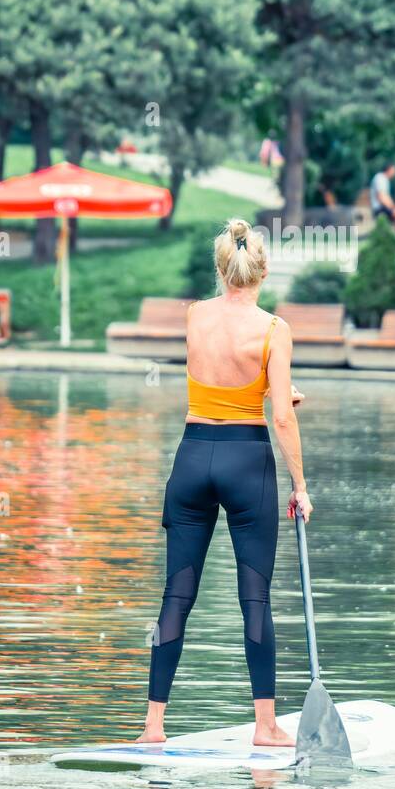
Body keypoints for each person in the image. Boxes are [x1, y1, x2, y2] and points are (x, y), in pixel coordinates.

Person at [137, 217, 310, 749]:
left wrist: (270, 387)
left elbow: (217, 376)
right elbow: (280, 417)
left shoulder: (194, 316)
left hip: (191, 460)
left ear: (222, 269)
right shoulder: (274, 329)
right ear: (263, 272)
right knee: (254, 598)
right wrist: (300, 487)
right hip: (246, 463)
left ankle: (152, 727)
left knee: (176, 595)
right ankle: (265, 726)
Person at [370, 161, 395, 237]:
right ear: (389, 169)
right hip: (380, 209)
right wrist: (394, 208)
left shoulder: (383, 179)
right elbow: (382, 197)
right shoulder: (380, 178)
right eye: (394, 170)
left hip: (382, 208)